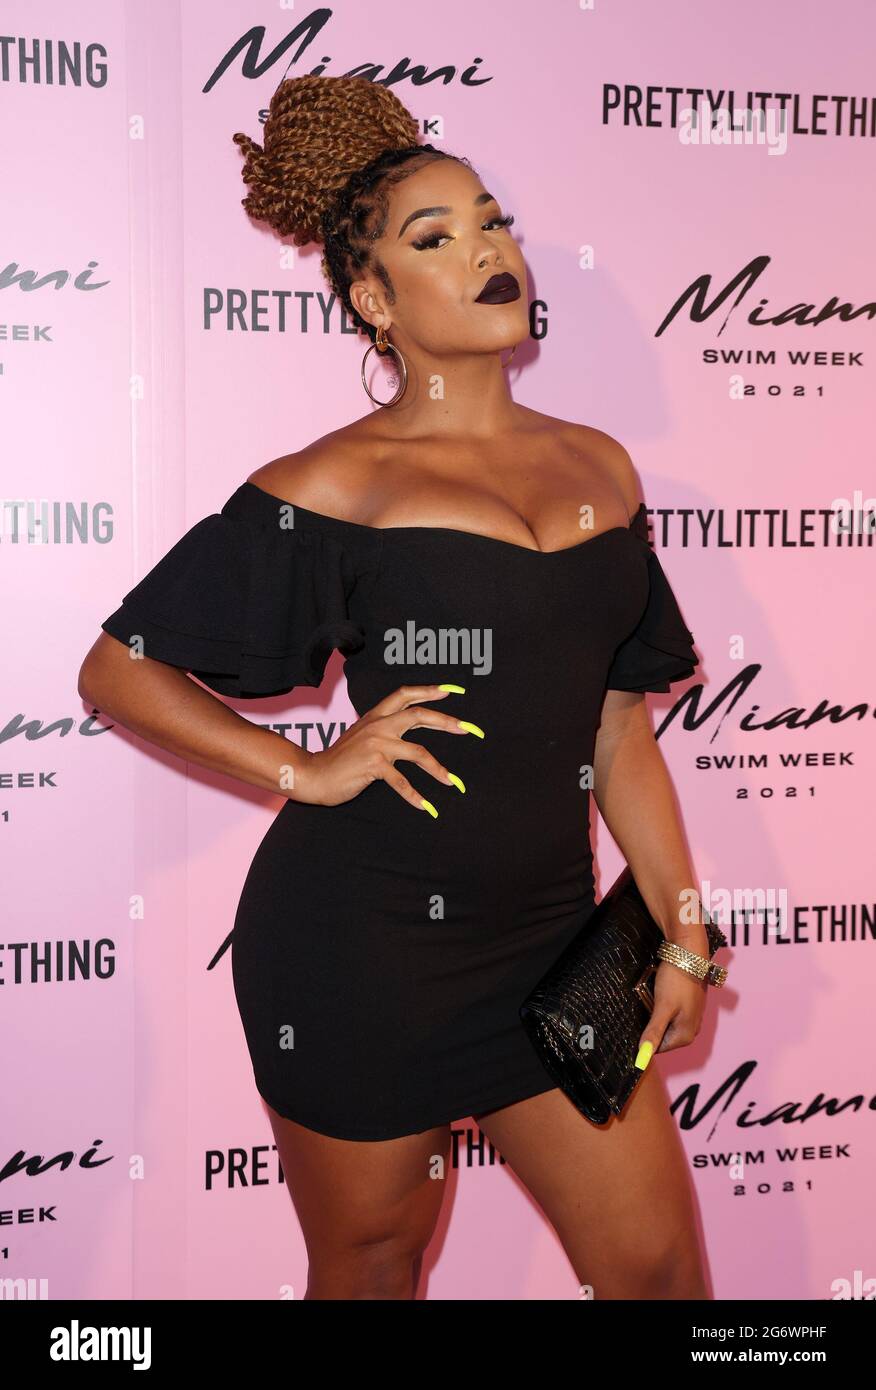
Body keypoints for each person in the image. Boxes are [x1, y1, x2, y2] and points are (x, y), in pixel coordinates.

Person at [78, 75, 714, 1301]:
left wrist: (680, 923)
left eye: (490, 222)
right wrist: (305, 769)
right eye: (437, 238)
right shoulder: (335, 485)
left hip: (555, 943)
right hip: (359, 950)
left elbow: (617, 722)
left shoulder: (603, 468)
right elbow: (118, 669)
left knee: (658, 1269)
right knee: (371, 1267)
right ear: (375, 300)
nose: (485, 250)